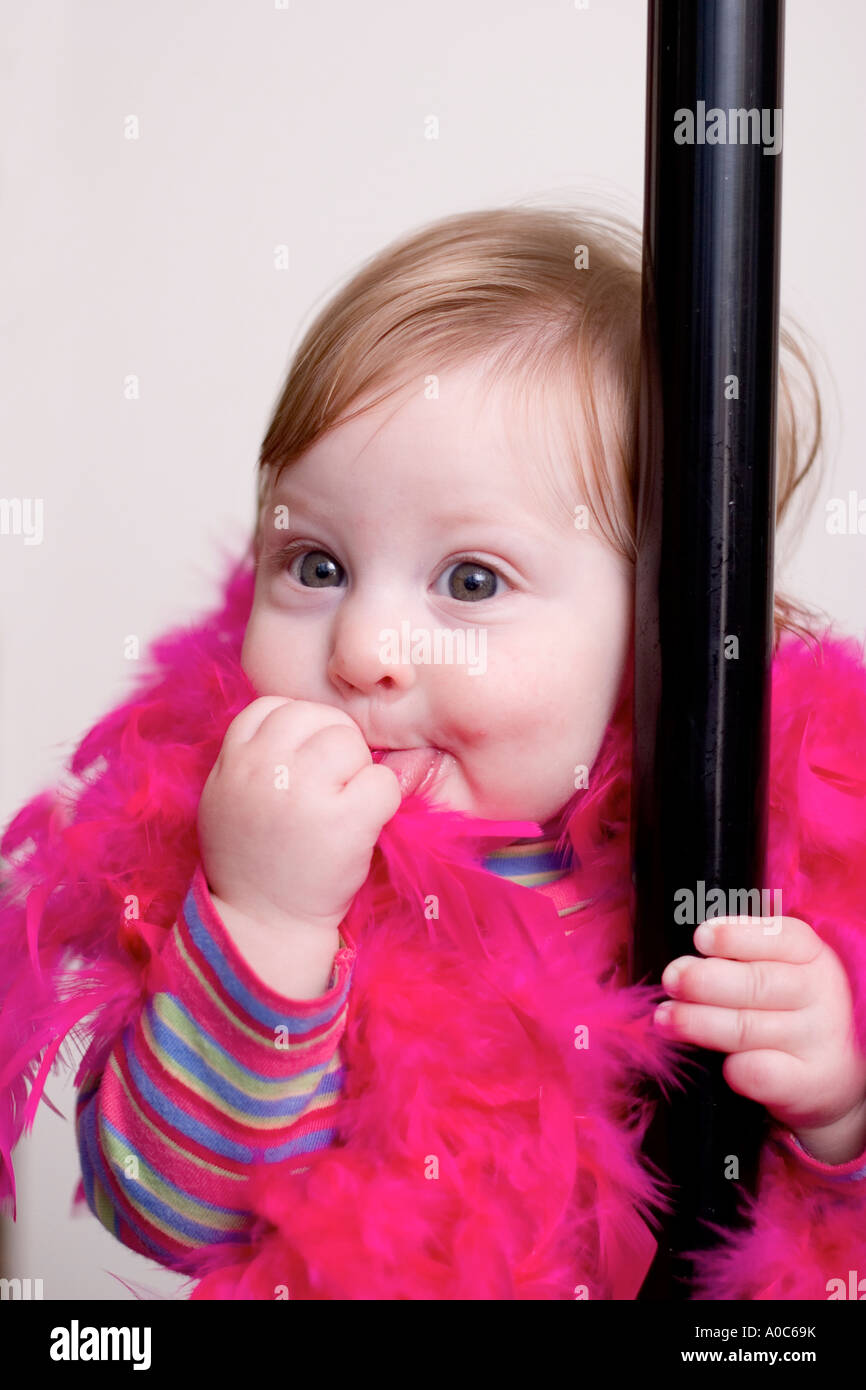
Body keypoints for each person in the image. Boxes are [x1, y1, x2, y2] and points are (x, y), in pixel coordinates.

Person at [3, 205, 866, 1300]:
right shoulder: (252, 855)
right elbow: (157, 1201)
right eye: (315, 563)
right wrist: (264, 923)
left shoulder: (738, 862)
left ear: (662, 626)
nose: (364, 650)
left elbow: (790, 1260)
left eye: (470, 581)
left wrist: (833, 1108)